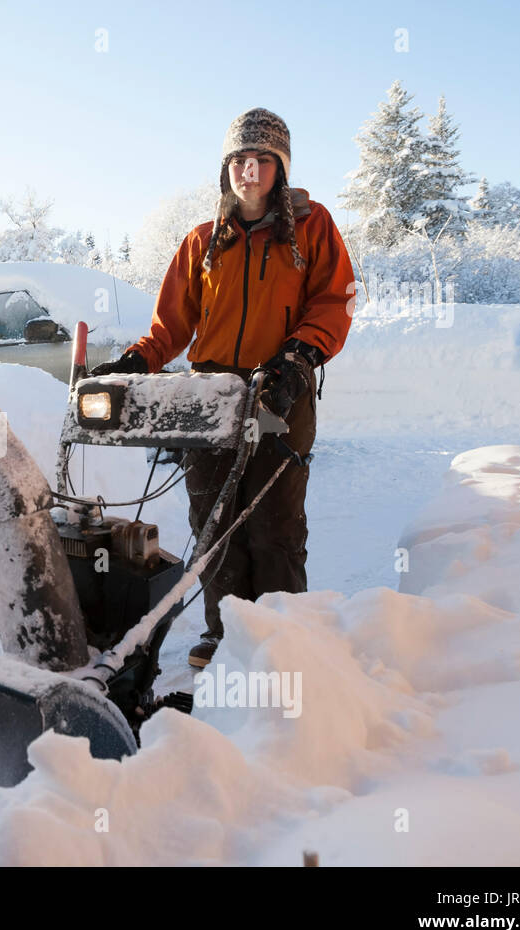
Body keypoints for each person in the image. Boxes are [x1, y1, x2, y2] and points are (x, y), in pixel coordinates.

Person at [90, 107, 355, 668]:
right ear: (225, 168)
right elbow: (170, 326)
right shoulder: (203, 241)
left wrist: (300, 356)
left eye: (261, 159)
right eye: (238, 159)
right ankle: (224, 632)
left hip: (279, 389)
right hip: (209, 395)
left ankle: (280, 637)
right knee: (213, 520)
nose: (248, 170)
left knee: (274, 523)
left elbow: (334, 301)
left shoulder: (313, 228)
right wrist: (136, 360)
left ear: (280, 168)